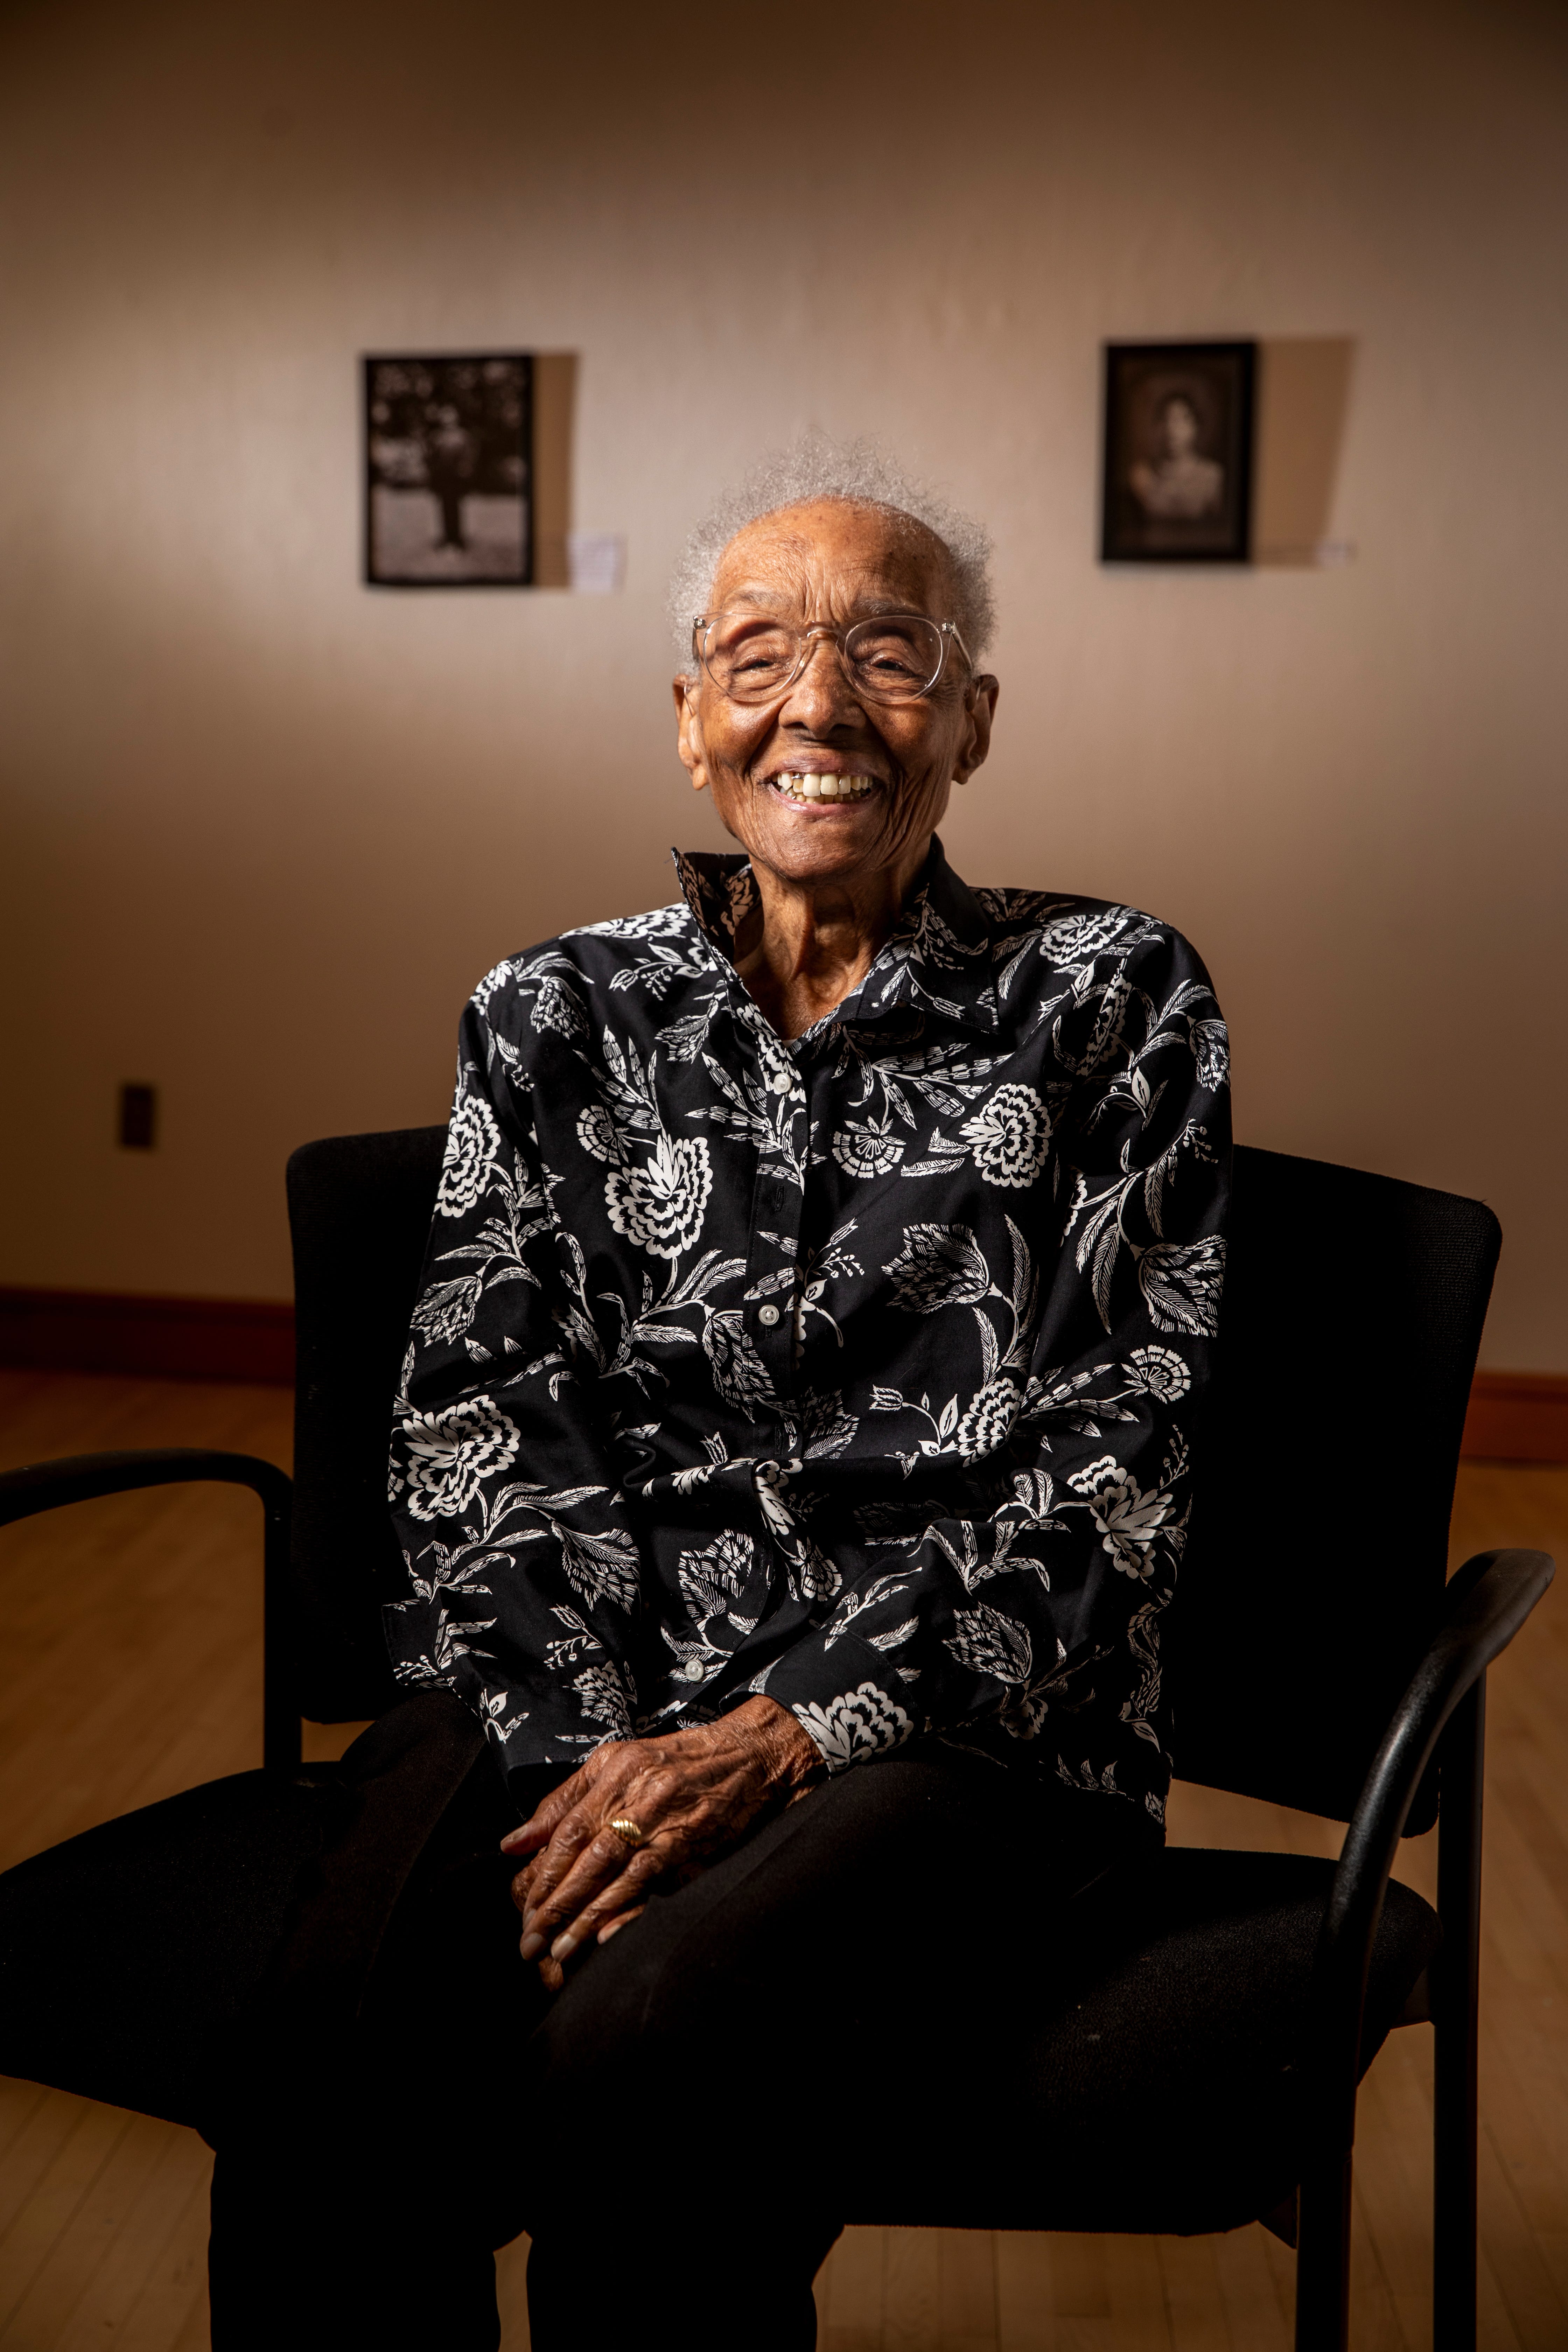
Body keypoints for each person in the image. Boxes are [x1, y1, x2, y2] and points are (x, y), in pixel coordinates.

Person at [215, 438, 1231, 2348]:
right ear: (692, 722)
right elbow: (480, 1423)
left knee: (654, 2052)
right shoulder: (554, 1013)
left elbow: (1116, 1460)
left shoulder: (1111, 999)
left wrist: (782, 1735)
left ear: (974, 721)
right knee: (332, 2043)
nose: (819, 706)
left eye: (890, 655)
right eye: (758, 658)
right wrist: (609, 1758)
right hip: (577, 1689)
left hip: (968, 1728)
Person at [1129, 390, 1224, 519]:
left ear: (1195, 426)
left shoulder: (1212, 476)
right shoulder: (1141, 475)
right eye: (1165, 420)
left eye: (1180, 420)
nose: (1171, 428)